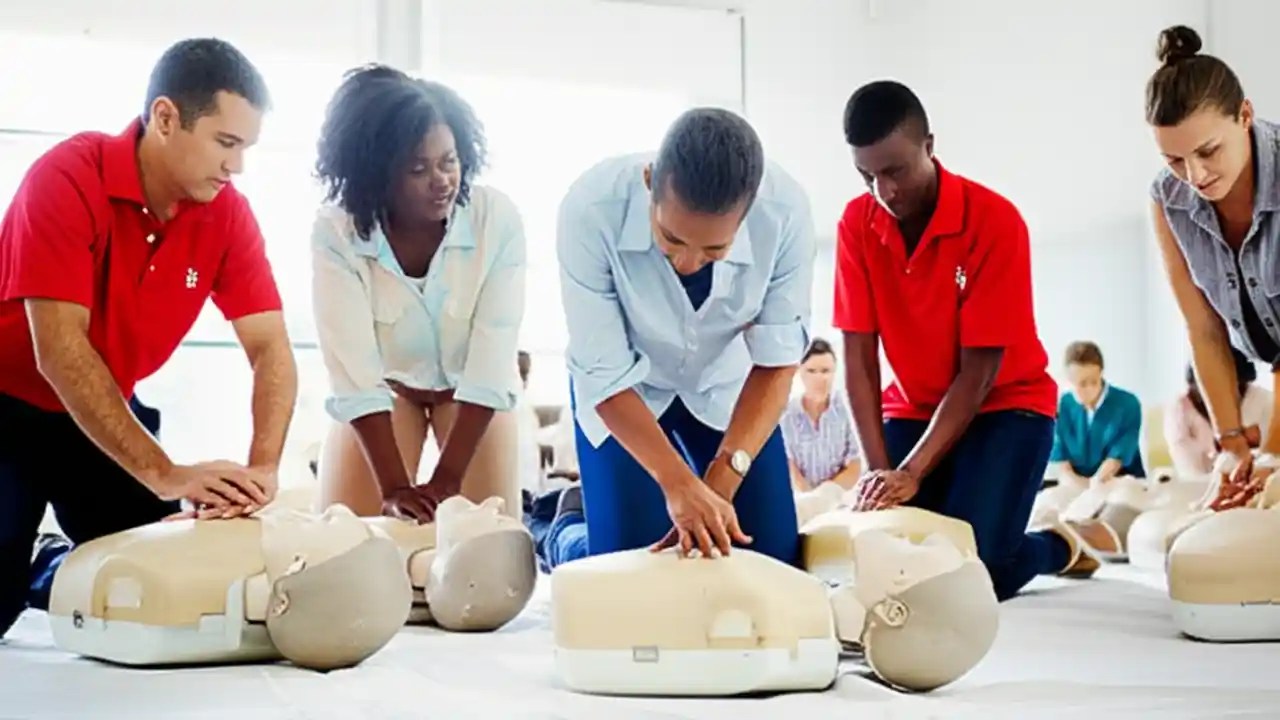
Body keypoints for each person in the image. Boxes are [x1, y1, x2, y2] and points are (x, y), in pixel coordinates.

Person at [0, 38, 297, 638]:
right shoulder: (66, 176)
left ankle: (53, 565)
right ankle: (28, 567)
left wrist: (262, 469)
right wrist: (165, 473)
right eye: (226, 143)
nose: (236, 166)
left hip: (100, 408)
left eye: (245, 148)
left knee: (166, 581)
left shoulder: (227, 213)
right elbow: (58, 351)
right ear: (165, 118)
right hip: (9, 405)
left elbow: (270, 347)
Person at [833, 80, 1103, 601]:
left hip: (1007, 406)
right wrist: (880, 473)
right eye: (867, 175)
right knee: (899, 556)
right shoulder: (856, 223)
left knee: (974, 571)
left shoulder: (995, 221)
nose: (884, 191)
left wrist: (912, 472)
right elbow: (859, 359)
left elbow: (979, 374)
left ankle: (1056, 545)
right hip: (913, 408)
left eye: (895, 171)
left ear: (929, 146)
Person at [545, 107, 815, 567]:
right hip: (626, 389)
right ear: (650, 180)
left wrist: (716, 489)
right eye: (670, 238)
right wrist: (677, 483)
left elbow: (777, 361)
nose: (688, 263)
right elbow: (604, 373)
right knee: (630, 570)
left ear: (749, 211)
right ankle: (562, 525)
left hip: (727, 387)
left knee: (770, 559)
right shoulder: (590, 209)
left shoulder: (786, 213)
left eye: (714, 248)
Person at [310, 65, 525, 524]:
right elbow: (353, 371)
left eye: (449, 161)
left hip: (471, 393)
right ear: (377, 175)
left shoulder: (495, 219)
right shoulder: (337, 231)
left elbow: (491, 360)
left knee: (491, 542)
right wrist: (394, 489)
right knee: (342, 535)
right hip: (389, 391)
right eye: (418, 169)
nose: (441, 180)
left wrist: (446, 482)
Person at [1146, 24, 1280, 510]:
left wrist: (1272, 452)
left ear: (1244, 115)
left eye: (1207, 151)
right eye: (1175, 160)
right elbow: (1204, 330)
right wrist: (1232, 447)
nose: (1195, 175)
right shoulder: (1168, 199)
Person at [1049, 341, 1146, 487]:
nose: (1088, 389)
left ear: (1101, 373)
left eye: (1093, 382)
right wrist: (1079, 487)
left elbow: (1115, 460)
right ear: (1069, 380)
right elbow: (1062, 465)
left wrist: (1092, 488)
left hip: (1120, 484)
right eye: (1081, 384)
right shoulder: (1061, 407)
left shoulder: (1128, 404)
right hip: (1075, 486)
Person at [1166, 346, 1273, 478]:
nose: (1217, 392)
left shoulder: (1266, 401)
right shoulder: (1180, 410)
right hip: (1198, 485)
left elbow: (1272, 460)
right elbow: (1188, 470)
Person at [780, 337, 862, 491]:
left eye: (826, 371)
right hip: (800, 497)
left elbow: (855, 464)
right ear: (800, 372)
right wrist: (810, 498)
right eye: (811, 371)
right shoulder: (786, 415)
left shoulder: (847, 409)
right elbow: (789, 468)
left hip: (841, 495)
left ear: (834, 371)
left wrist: (825, 495)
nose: (820, 378)